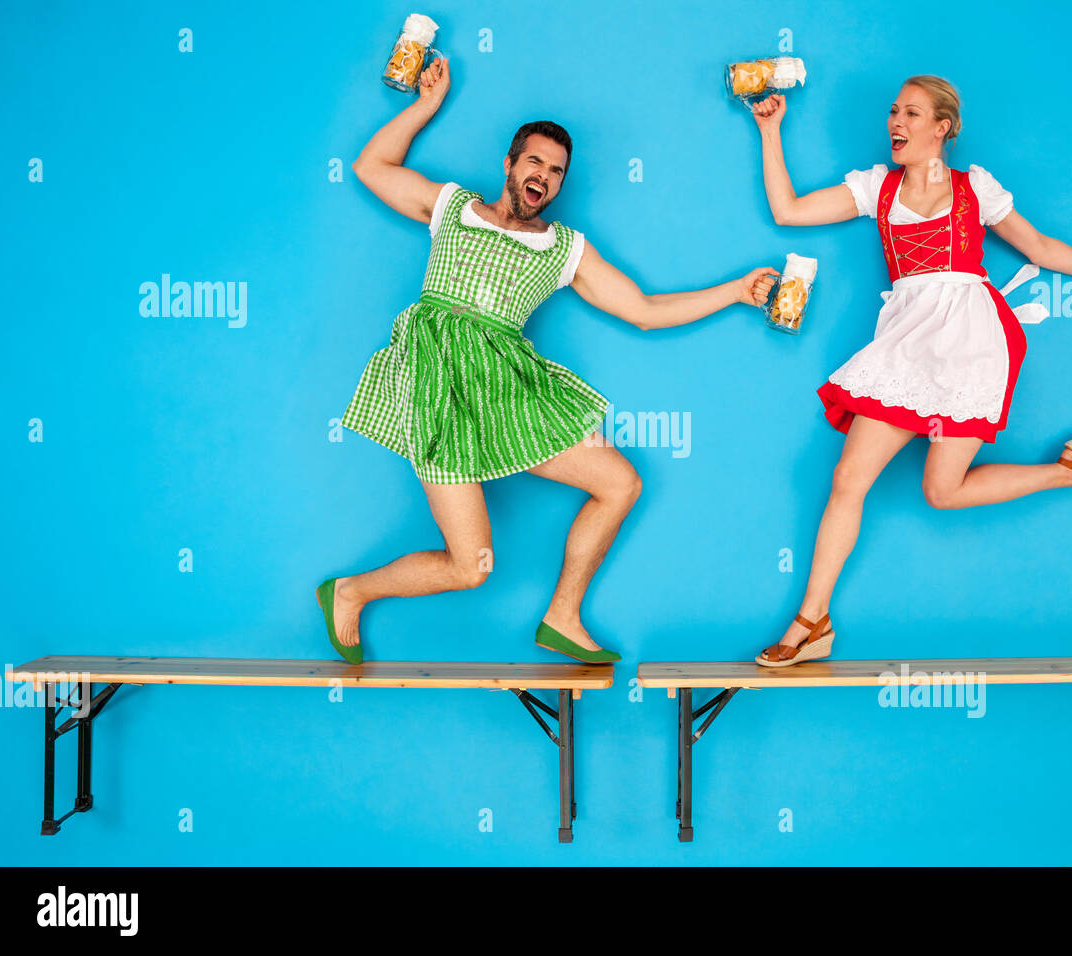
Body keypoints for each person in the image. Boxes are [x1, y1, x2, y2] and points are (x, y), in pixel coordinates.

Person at [317, 57, 778, 665]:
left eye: (557, 172)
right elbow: (371, 167)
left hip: (507, 396)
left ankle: (562, 615)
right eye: (535, 161)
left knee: (619, 482)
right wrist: (423, 106)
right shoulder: (451, 207)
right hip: (437, 393)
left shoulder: (564, 248)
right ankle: (349, 590)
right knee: (470, 565)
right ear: (509, 165)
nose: (545, 176)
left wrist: (736, 292)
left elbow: (642, 308)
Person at [748, 75, 1072, 667]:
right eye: (893, 112)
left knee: (941, 491)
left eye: (912, 113)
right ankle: (811, 623)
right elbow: (787, 212)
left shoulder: (975, 188)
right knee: (848, 479)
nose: (896, 122)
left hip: (972, 341)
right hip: (906, 344)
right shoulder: (876, 188)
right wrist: (770, 129)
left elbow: (1038, 247)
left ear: (942, 128)